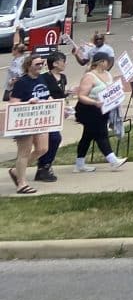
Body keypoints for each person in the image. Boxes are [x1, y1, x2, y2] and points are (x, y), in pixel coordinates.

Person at [72, 51, 127, 172]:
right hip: (88, 110)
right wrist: (94, 102)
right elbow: (81, 96)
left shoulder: (107, 74)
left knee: (87, 136)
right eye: (107, 61)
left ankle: (79, 164)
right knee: (100, 134)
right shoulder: (89, 76)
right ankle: (113, 160)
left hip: (103, 110)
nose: (109, 63)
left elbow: (110, 89)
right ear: (101, 62)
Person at [6, 53, 51, 194]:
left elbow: (46, 94)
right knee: (24, 153)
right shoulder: (22, 82)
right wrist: (28, 102)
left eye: (41, 63)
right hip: (25, 121)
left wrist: (54, 102)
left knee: (42, 148)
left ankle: (16, 171)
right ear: (28, 65)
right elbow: (13, 103)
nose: (40, 66)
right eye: (37, 64)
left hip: (41, 119)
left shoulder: (42, 78)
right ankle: (21, 184)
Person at [30, 52, 69, 183]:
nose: (65, 63)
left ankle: (44, 168)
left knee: (53, 140)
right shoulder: (44, 78)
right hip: (44, 112)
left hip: (56, 113)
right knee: (52, 139)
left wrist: (66, 104)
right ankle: (43, 167)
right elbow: (45, 94)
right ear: (55, 63)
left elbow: (61, 94)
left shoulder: (63, 77)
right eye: (63, 61)